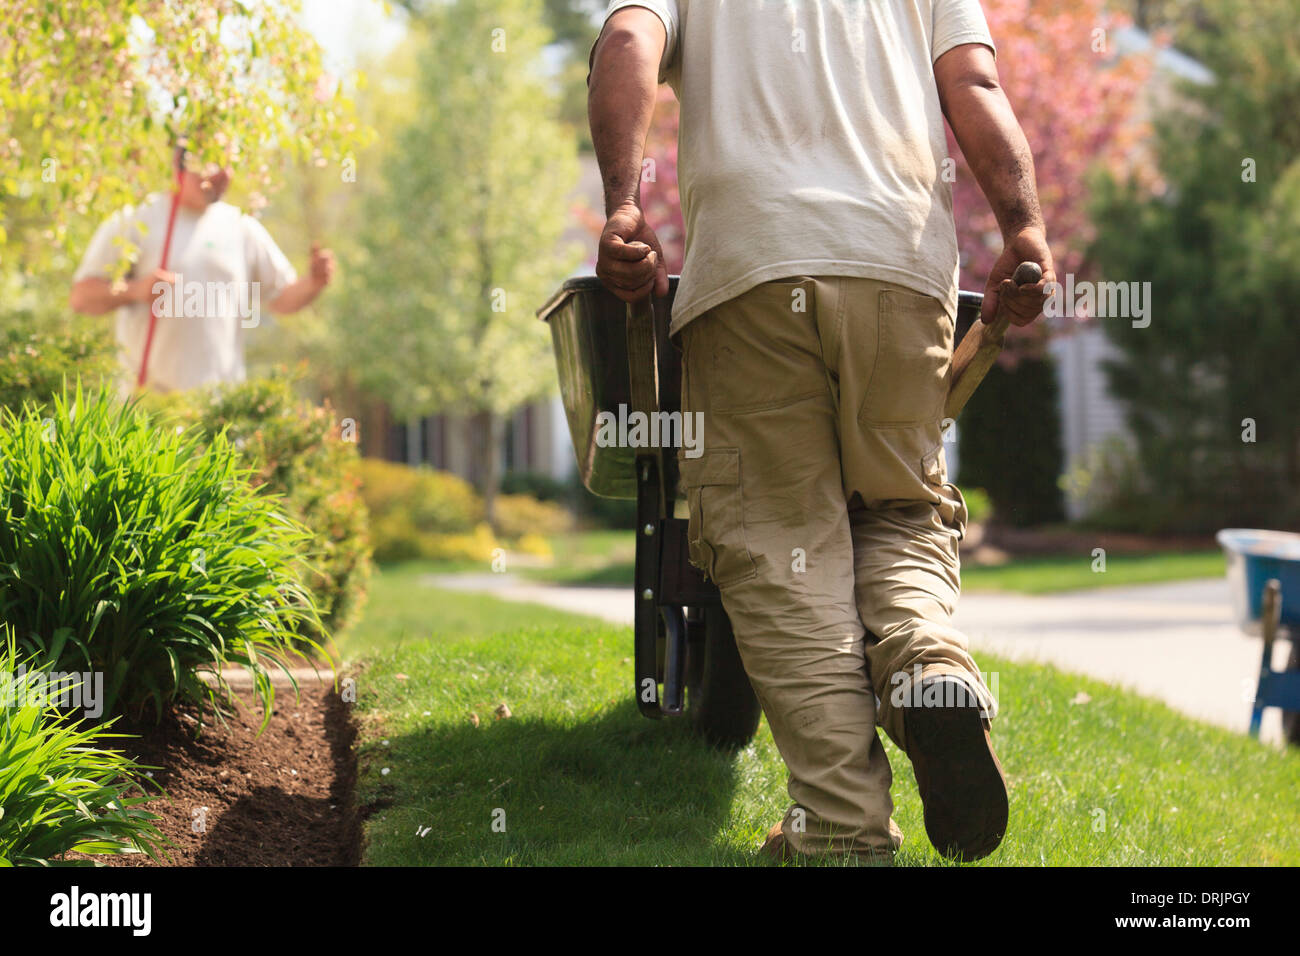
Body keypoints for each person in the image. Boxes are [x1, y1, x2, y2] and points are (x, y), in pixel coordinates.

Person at [588, 0, 1055, 863]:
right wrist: (1022, 225)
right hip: (898, 261)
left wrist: (623, 204)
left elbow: (626, 42)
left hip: (754, 265)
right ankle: (927, 667)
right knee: (899, 510)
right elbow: (975, 82)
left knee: (775, 536)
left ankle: (841, 824)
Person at [70, 146, 335, 394]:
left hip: (217, 411)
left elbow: (281, 299)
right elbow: (82, 297)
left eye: (229, 163)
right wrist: (136, 290)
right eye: (213, 161)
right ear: (180, 164)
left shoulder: (241, 226)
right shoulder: (136, 220)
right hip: (148, 408)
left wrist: (314, 282)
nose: (224, 174)